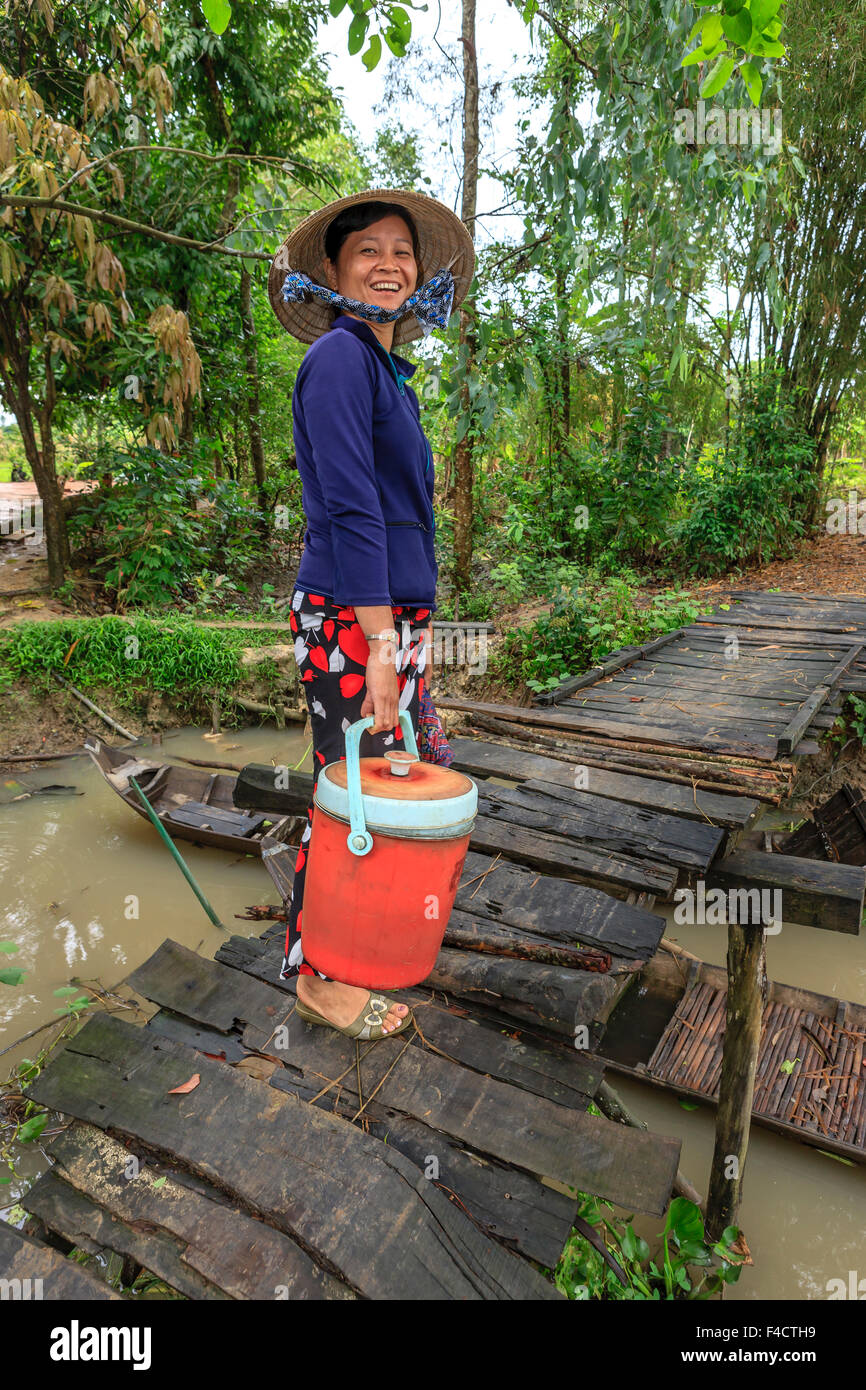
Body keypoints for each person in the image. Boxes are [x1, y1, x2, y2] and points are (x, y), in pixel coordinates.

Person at [268, 187, 474, 1042]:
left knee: (393, 775)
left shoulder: (388, 371)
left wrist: (404, 631)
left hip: (388, 616)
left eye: (402, 251)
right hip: (357, 618)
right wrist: (382, 641)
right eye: (367, 252)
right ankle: (316, 972)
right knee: (347, 787)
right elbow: (352, 510)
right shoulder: (341, 360)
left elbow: (400, 513)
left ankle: (373, 938)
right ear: (332, 270)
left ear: (419, 272)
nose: (389, 263)